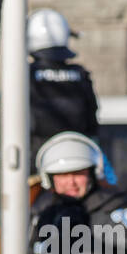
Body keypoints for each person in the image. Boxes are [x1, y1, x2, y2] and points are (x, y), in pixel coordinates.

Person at [25, 10, 99, 163]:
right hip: (77, 159)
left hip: (33, 161)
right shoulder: (80, 75)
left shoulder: (25, 76)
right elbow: (92, 121)